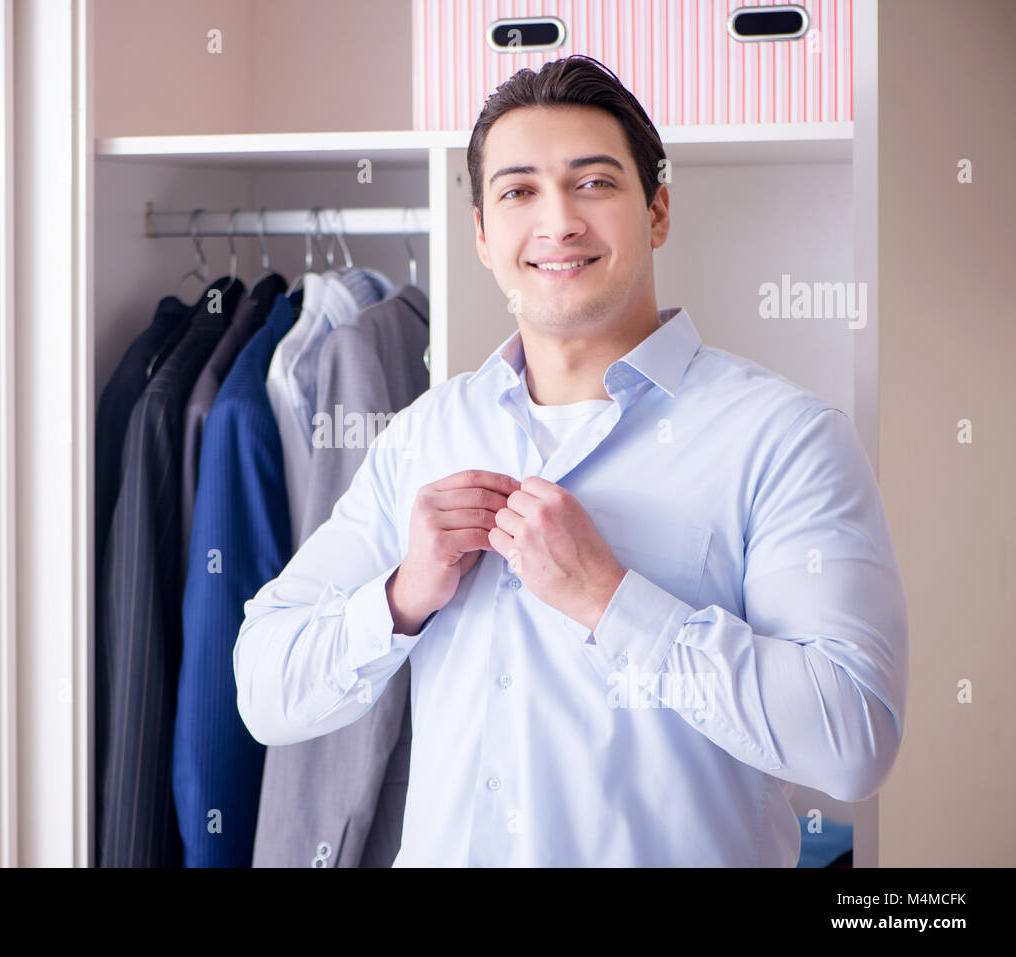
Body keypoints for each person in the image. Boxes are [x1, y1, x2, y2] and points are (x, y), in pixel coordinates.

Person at [233, 55, 908, 867]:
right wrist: (403, 597)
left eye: (593, 183)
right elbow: (263, 688)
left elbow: (853, 741)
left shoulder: (786, 439)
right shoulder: (422, 438)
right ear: (483, 235)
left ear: (657, 211)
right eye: (519, 191)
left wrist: (611, 599)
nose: (558, 222)